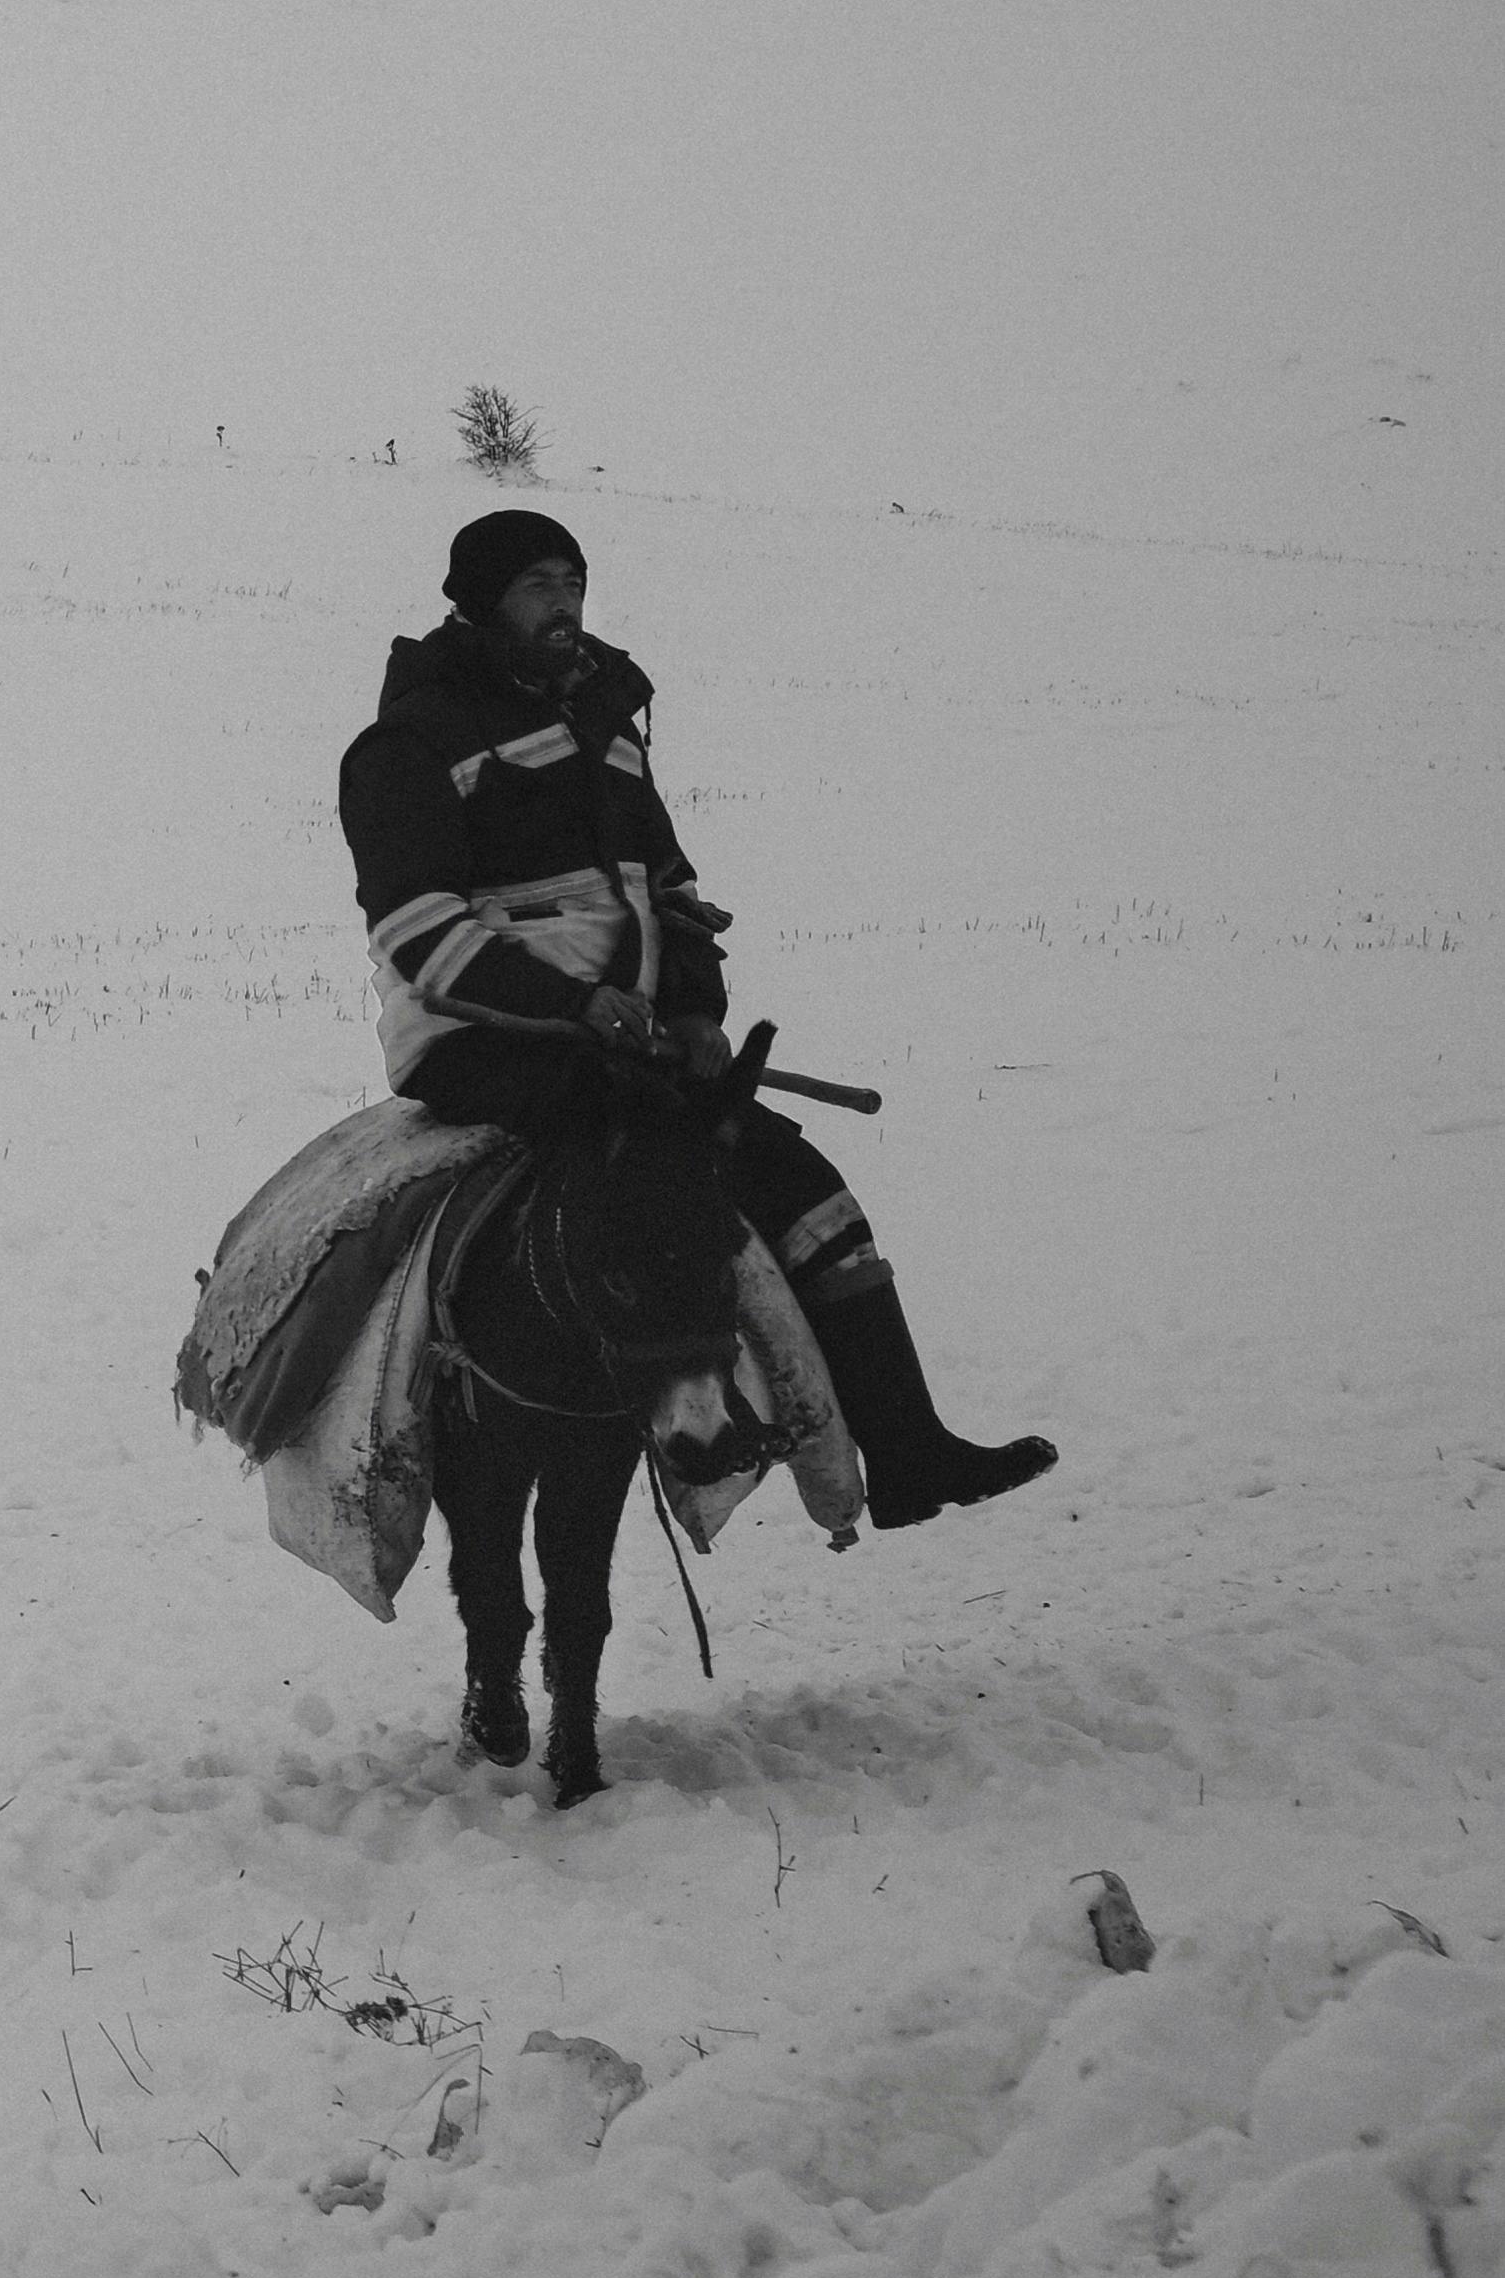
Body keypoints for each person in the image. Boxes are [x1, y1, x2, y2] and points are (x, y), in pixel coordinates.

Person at [335, 507, 1054, 1523]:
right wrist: (578, 1005)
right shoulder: (410, 743)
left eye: (574, 581)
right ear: (482, 599)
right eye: (540, 583)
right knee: (656, 1163)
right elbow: (418, 927)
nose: (565, 603)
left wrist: (696, 1008)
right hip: (478, 1042)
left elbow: (667, 887)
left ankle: (908, 1449)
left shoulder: (606, 725)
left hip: (618, 1037)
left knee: (810, 1191)